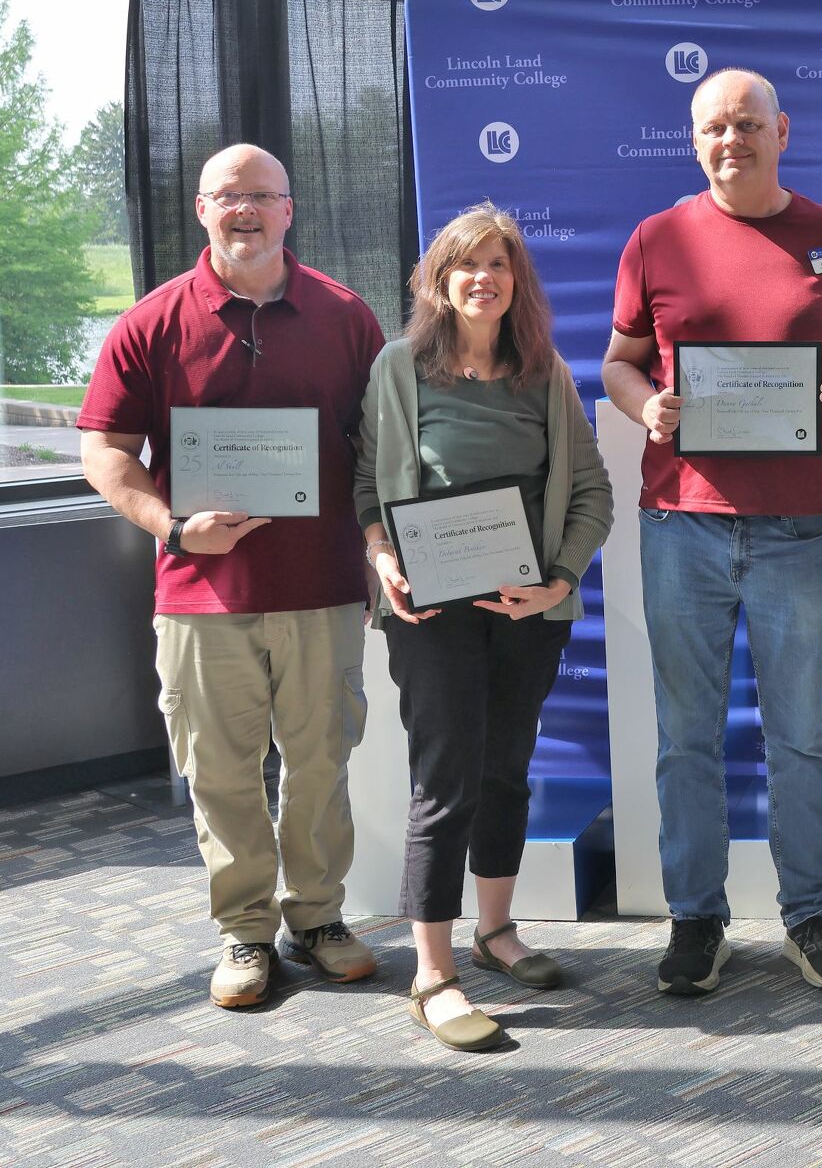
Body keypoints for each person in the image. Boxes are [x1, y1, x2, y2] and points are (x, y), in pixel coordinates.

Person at [78, 143, 386, 1009]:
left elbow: (379, 448)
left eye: (262, 195)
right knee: (219, 769)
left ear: (290, 209)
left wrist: (380, 550)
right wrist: (171, 525)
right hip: (201, 596)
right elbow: (103, 449)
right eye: (227, 197)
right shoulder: (151, 321)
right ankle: (245, 932)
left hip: (322, 586)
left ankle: (319, 917)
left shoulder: (345, 316)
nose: (244, 211)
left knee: (322, 761)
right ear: (203, 211)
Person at [601, 68, 822, 995]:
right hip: (684, 522)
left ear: (782, 130)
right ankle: (697, 918)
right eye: (715, 127)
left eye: (748, 124)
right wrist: (648, 408)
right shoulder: (657, 238)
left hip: (798, 525)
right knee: (688, 735)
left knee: (799, 733)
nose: (733, 140)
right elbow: (621, 362)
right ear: (694, 139)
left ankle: (810, 912)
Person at [356, 204, 613, 1051]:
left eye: (499, 265)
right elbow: (367, 486)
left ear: (517, 282)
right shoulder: (399, 370)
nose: (483, 279)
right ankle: (431, 972)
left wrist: (561, 581)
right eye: (466, 265)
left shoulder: (544, 373)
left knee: (506, 769)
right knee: (447, 779)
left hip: (526, 615)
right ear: (439, 279)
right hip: (432, 614)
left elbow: (591, 494)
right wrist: (383, 555)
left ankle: (495, 933)